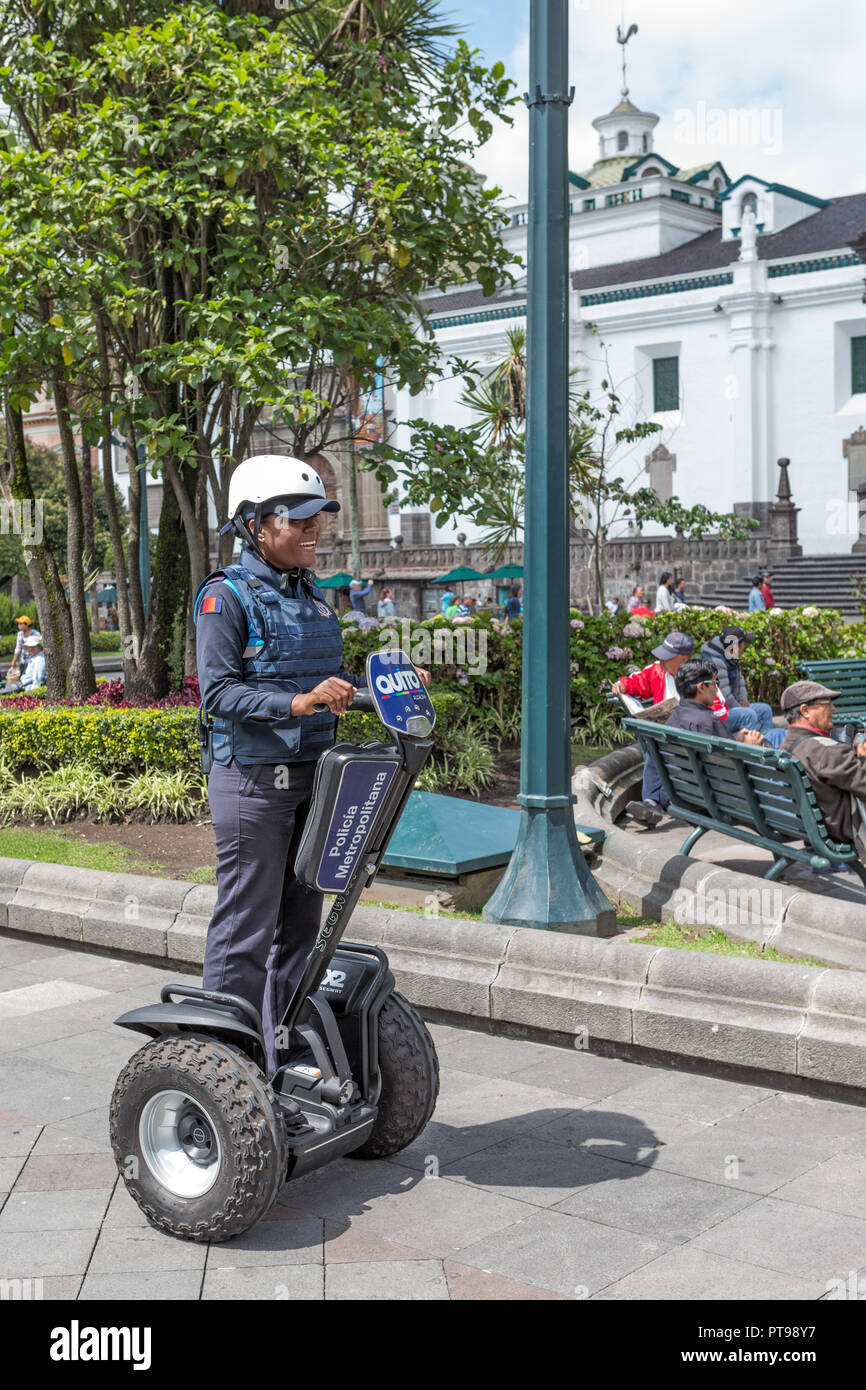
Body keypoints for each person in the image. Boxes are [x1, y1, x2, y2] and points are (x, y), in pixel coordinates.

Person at [193, 453, 429, 1074]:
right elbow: (217, 695)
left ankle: (281, 1044)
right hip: (252, 784)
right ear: (254, 525)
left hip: (316, 780)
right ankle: (227, 1060)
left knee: (302, 926)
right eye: (296, 520)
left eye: (317, 517)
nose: (313, 529)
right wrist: (297, 702)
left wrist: (391, 684)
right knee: (247, 926)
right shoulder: (226, 599)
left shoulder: (314, 598)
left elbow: (328, 685)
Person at [626, 659, 766, 824]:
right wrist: (748, 748)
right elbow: (730, 768)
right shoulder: (708, 721)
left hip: (678, 790)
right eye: (714, 683)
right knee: (774, 737)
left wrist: (736, 741)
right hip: (709, 797)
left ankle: (651, 801)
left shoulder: (674, 717)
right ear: (701, 687)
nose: (716, 688)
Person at [779, 681, 866, 862]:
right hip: (843, 828)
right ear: (805, 711)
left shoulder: (786, 744)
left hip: (814, 824)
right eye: (827, 704)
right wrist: (863, 757)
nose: (833, 709)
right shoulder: (827, 750)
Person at [700, 624, 785, 746]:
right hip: (717, 712)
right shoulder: (715, 661)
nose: (745, 647)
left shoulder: (729, 653)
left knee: (765, 709)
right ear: (736, 646)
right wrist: (741, 707)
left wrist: (742, 699)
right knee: (748, 715)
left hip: (730, 706)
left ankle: (767, 744)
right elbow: (725, 696)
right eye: (744, 644)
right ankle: (750, 751)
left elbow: (739, 680)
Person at [8, 615, 42, 682]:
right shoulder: (19, 634)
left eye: (21, 624)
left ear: (27, 625)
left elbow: (41, 646)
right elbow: (18, 648)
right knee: (23, 679)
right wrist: (13, 661)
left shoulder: (35, 633)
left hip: (34, 661)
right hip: (23, 661)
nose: (19, 625)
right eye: (18, 624)